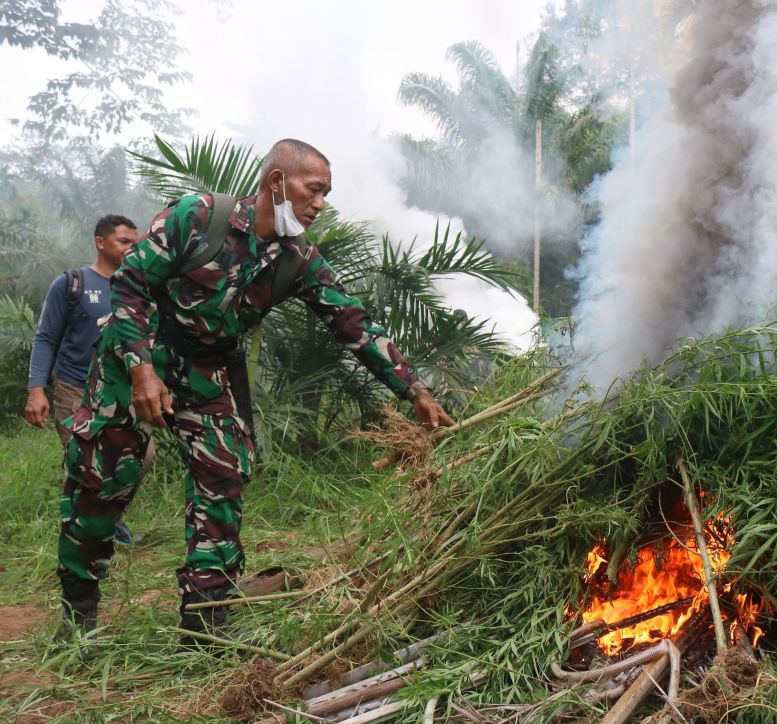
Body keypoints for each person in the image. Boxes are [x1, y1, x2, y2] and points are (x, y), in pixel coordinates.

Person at [55, 139, 455, 644]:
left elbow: (353, 322)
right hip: (136, 353)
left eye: (326, 194)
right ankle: (78, 615)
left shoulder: (297, 258)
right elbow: (129, 285)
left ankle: (205, 623)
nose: (320, 204)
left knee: (223, 475)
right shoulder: (198, 217)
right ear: (277, 182)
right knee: (104, 477)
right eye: (314, 190)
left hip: (205, 370)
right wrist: (141, 371)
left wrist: (414, 389)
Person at [25, 215, 154, 546]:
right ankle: (83, 540)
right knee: (86, 463)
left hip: (121, 389)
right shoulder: (72, 284)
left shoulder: (139, 288)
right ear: (100, 242)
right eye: (123, 241)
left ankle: (109, 520)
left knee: (143, 456)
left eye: (135, 242)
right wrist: (36, 389)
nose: (131, 248)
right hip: (75, 389)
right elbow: (46, 337)